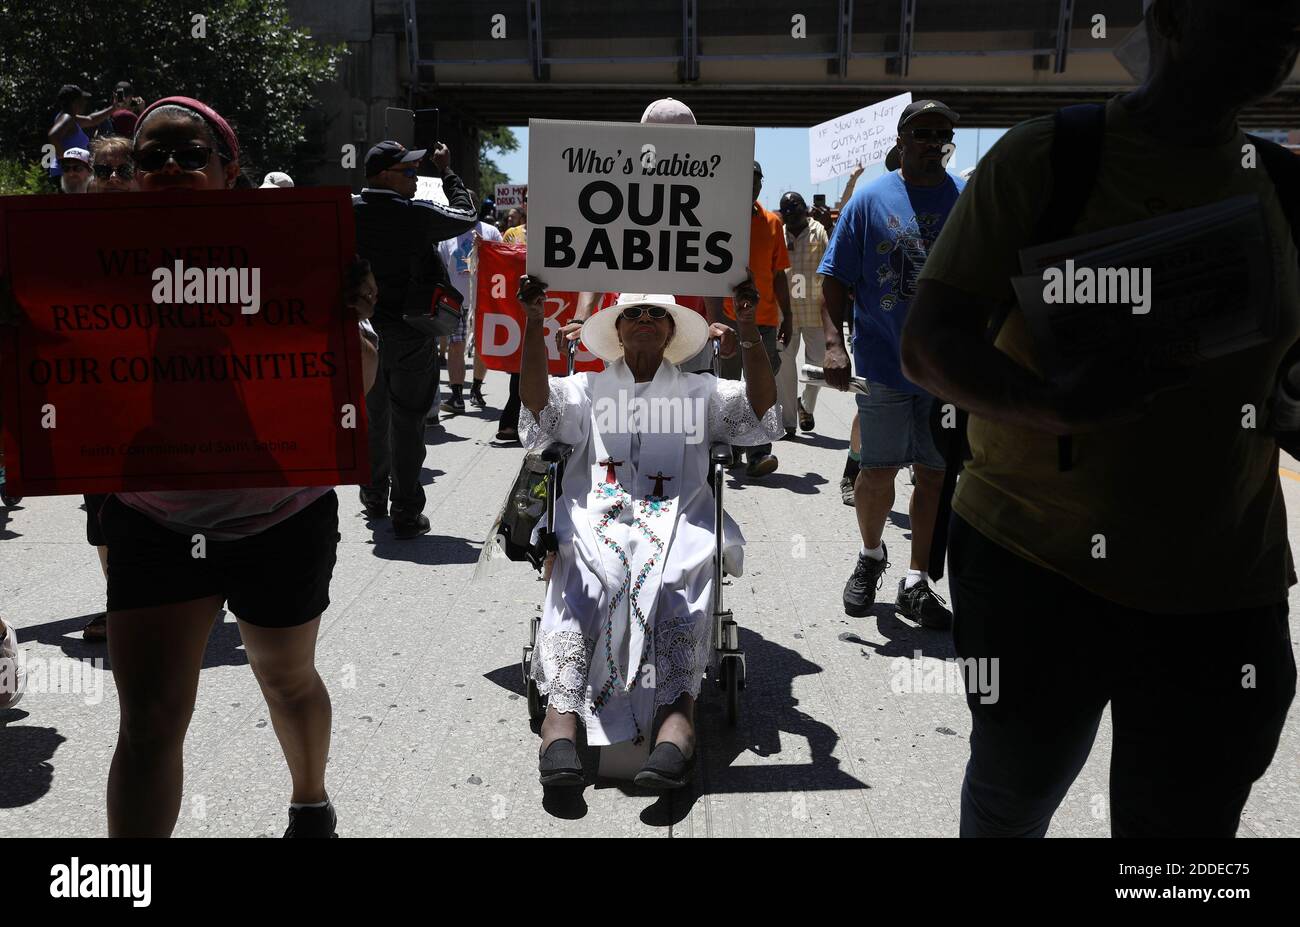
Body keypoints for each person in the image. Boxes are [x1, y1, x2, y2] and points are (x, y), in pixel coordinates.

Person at [901, 0, 1299, 837]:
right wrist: (1049, 405)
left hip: (1223, 589)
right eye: (1255, 16)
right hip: (1033, 570)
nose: (1277, 41)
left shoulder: (1288, 189)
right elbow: (928, 346)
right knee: (1013, 795)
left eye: (1291, 26)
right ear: (1175, 22)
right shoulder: (1050, 160)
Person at [102, 96, 379, 838]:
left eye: (189, 155)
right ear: (127, 175)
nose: (167, 168)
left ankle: (309, 799)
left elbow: (359, 386)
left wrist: (349, 320)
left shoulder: (291, 251)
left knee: (285, 677)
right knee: (151, 716)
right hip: (152, 514)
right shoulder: (82, 256)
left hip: (279, 511)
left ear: (230, 171)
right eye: (149, 155)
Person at [519, 274, 781, 790]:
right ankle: (563, 717)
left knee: (673, 572)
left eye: (656, 315)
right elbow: (536, 405)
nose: (644, 321)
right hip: (598, 512)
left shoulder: (699, 390)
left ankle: (674, 712)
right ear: (616, 330)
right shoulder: (586, 388)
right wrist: (532, 323)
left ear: (669, 333)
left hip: (678, 512)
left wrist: (748, 330)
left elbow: (759, 411)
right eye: (633, 314)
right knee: (590, 571)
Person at [819, 99, 965, 629]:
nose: (933, 141)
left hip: (947, 373)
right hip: (883, 365)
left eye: (942, 134)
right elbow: (833, 277)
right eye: (922, 132)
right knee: (876, 471)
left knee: (933, 475)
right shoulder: (870, 201)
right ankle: (872, 554)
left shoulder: (965, 201)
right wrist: (834, 344)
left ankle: (915, 580)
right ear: (902, 139)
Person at [353, 140, 477, 536]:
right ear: (383, 176)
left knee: (373, 417)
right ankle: (406, 511)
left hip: (362, 334)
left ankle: (373, 495)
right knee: (408, 422)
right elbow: (467, 214)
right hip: (410, 333)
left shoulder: (344, 211)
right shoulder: (416, 215)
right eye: (408, 173)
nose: (415, 179)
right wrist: (447, 172)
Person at [717, 162, 791, 476]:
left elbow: (778, 276)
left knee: (761, 385)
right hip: (729, 318)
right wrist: (714, 317)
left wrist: (788, 316)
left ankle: (759, 452)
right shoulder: (719, 219)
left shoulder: (773, 223)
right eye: (747, 179)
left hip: (764, 321)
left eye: (757, 179)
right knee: (730, 386)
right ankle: (731, 448)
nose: (753, 185)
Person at [436, 211, 501, 415]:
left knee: (482, 347)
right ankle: (456, 395)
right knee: (456, 345)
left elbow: (503, 259)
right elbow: (441, 268)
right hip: (457, 302)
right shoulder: (447, 235)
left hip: (484, 300)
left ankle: (476, 388)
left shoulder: (490, 232)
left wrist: (487, 248)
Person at [776, 191, 830, 435]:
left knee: (818, 364)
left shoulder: (819, 230)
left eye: (795, 206)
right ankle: (788, 422)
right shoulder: (778, 231)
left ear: (805, 207)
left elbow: (831, 264)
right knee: (785, 365)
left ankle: (805, 404)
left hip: (814, 309)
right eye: (785, 209)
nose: (790, 212)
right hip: (785, 311)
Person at [47, 85, 112, 190]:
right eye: (82, 100)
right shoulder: (66, 118)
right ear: (74, 102)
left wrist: (114, 108)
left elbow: (91, 120)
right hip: (67, 174)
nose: (84, 103)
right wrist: (65, 161)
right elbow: (53, 135)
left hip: (69, 172)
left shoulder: (70, 118)